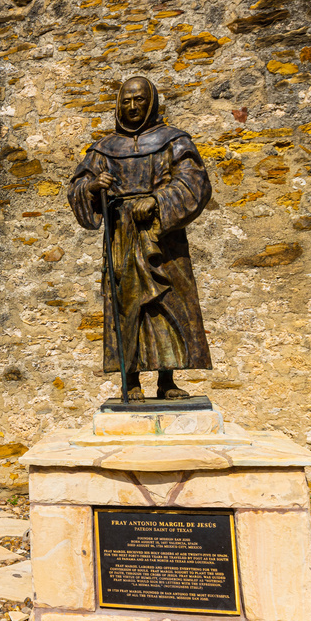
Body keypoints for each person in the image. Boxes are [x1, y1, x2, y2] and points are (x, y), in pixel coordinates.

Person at [68, 76, 212, 401]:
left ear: (152, 103)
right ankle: (130, 379)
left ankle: (167, 380)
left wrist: (159, 200)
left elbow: (195, 182)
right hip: (122, 235)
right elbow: (77, 188)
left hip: (162, 237)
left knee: (165, 303)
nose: (133, 106)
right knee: (126, 305)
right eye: (127, 100)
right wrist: (92, 188)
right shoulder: (103, 150)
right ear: (119, 104)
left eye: (140, 100)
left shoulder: (173, 140)